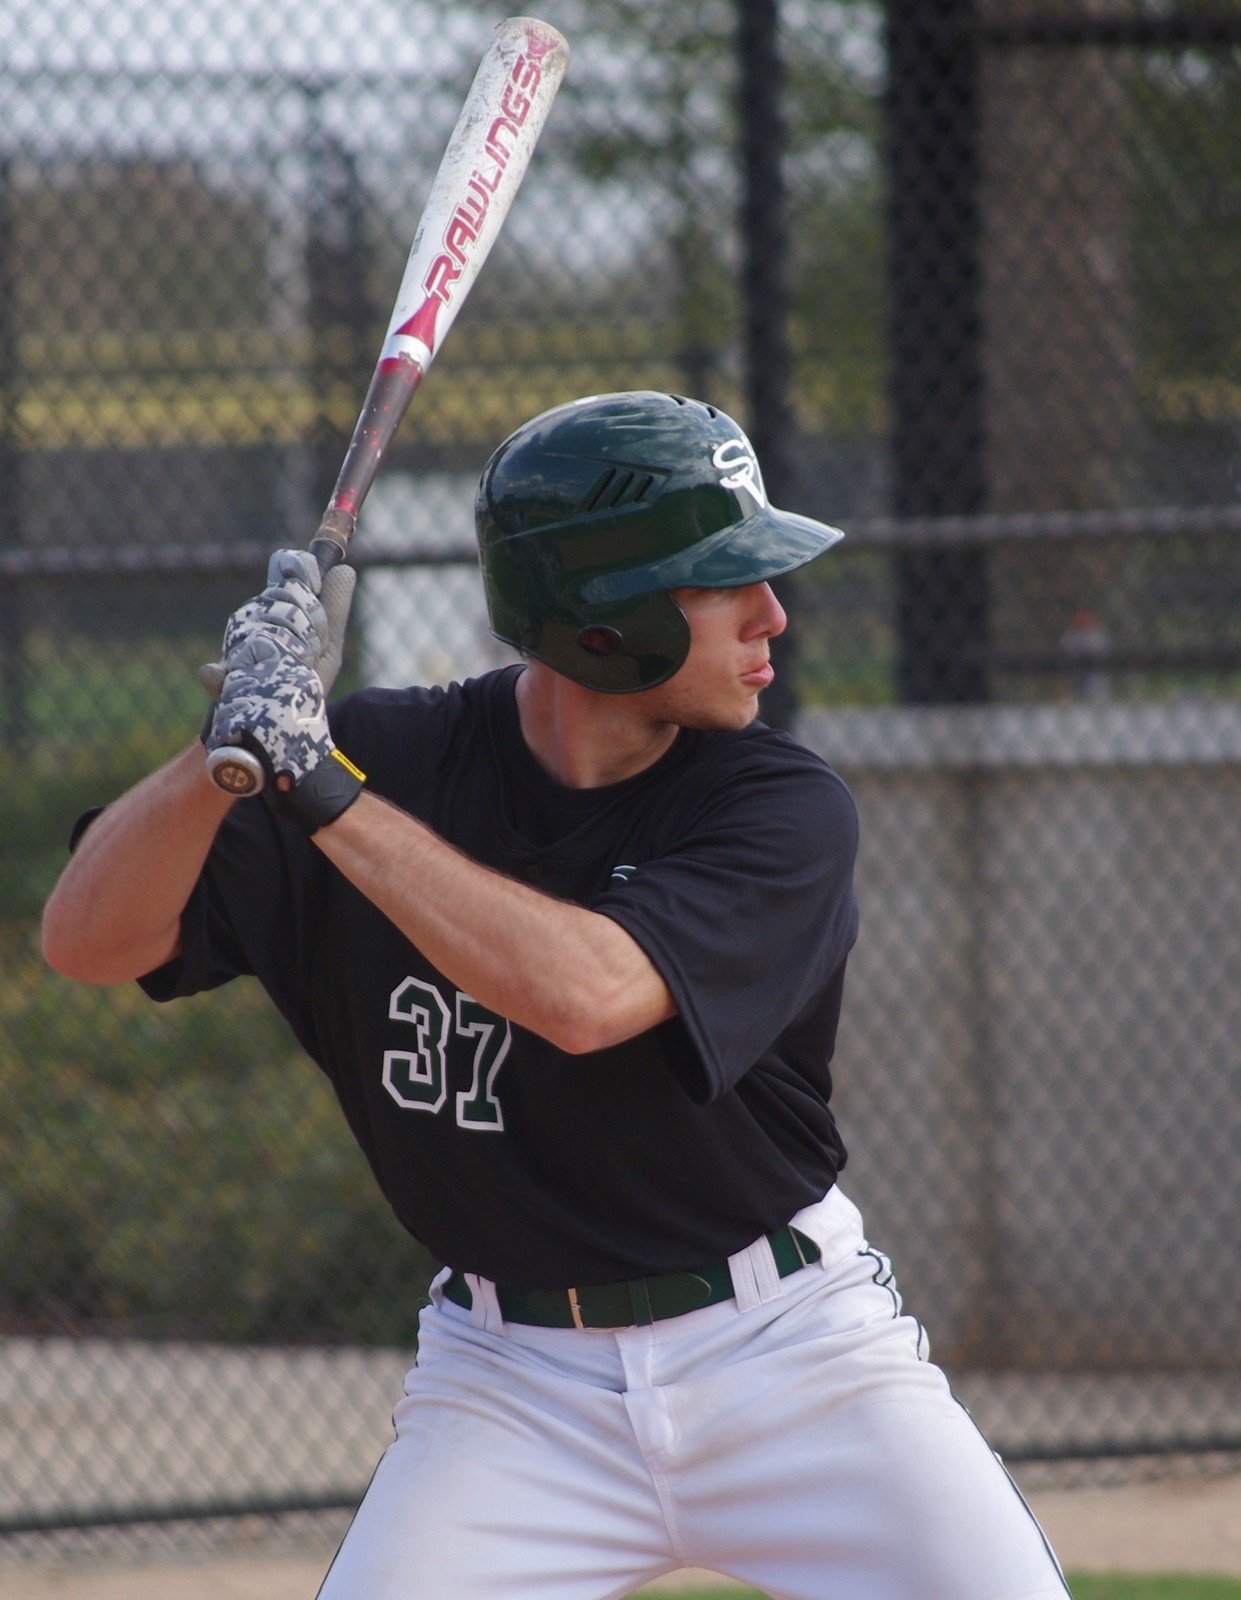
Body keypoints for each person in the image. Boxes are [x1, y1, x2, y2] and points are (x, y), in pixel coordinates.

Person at [43, 391, 1069, 1600]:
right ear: (604, 623)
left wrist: (319, 788)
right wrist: (222, 751)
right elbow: (88, 940)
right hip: (507, 1383)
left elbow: (584, 993)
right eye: (722, 581)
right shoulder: (390, 757)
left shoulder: (777, 807)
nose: (773, 614)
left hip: (789, 1353)